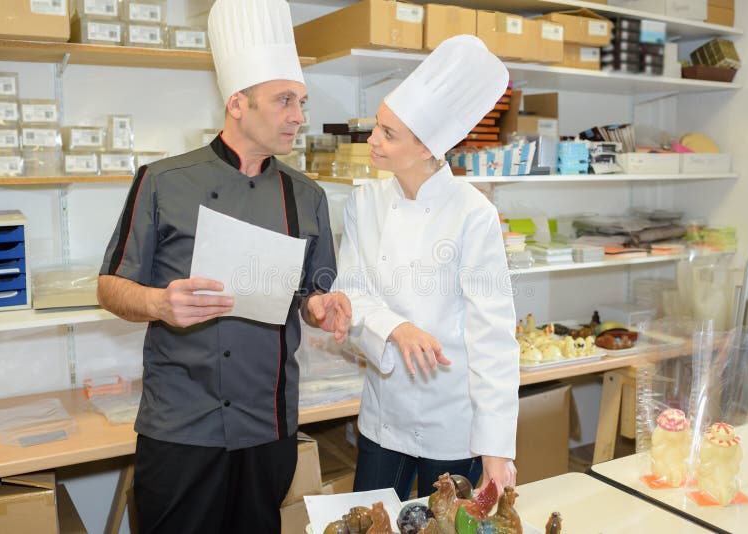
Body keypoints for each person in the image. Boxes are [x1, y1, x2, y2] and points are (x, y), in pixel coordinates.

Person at [96, 0, 350, 532]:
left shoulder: (307, 195)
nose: (298, 117)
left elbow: (313, 294)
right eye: (285, 101)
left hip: (269, 425)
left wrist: (323, 306)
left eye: (301, 101)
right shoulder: (163, 181)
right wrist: (159, 302)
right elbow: (110, 287)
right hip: (181, 425)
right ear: (238, 103)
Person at [332, 35, 521, 500]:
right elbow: (350, 291)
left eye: (388, 134)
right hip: (383, 417)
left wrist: (496, 449)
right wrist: (396, 327)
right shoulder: (365, 202)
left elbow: (492, 334)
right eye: (377, 125)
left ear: (426, 148)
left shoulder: (473, 214)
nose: (372, 140)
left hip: (453, 424)